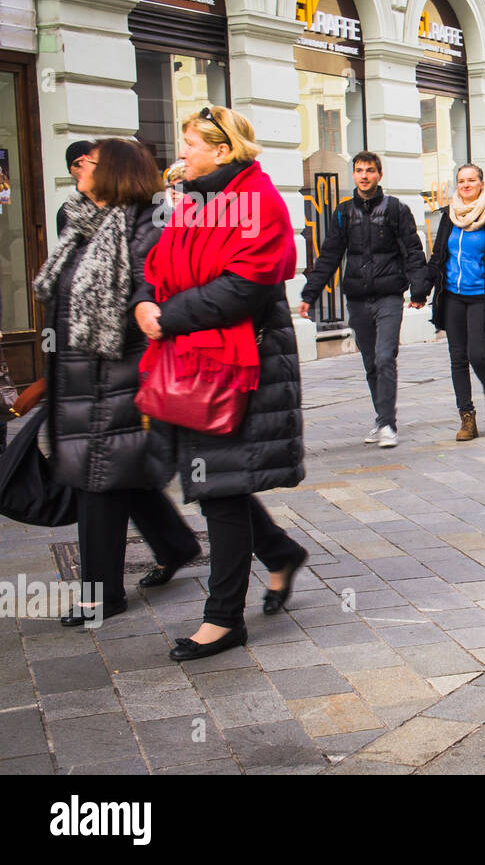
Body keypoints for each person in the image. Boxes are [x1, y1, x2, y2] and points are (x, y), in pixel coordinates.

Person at [133, 106, 308, 661]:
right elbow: (155, 264)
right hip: (192, 361)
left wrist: (168, 316)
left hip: (237, 365)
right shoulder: (192, 200)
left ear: (222, 149)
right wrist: (144, 301)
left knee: (220, 488)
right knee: (219, 480)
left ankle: (224, 619)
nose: (181, 151)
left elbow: (243, 286)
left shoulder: (259, 201)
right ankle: (280, 554)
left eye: (190, 143)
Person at [30, 138, 200, 627]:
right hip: (78, 375)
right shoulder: (81, 222)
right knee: (122, 472)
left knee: (98, 481)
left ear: (117, 174)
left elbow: (149, 297)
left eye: (92, 162)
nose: (80, 166)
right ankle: (176, 544)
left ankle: (100, 595)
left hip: (119, 374)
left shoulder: (146, 226)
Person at [299, 151, 429, 448]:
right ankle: (382, 419)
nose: (364, 176)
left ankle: (388, 425)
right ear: (354, 175)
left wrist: (419, 290)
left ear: (379, 174)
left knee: (385, 357)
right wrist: (310, 294)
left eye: (370, 170)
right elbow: (329, 256)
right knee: (371, 362)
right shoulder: (344, 213)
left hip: (388, 297)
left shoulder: (396, 209)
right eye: (359, 170)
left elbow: (413, 250)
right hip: (357, 298)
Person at [427, 163, 485, 441]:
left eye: (471, 180)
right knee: (458, 358)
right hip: (452, 296)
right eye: (461, 181)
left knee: (477, 354)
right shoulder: (449, 215)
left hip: (480, 297)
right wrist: (420, 291)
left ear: (481, 183)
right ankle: (467, 418)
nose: (465, 185)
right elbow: (438, 256)